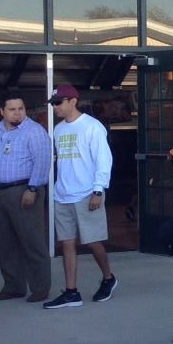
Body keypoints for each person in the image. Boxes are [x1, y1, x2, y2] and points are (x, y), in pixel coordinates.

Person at [46, 85, 116, 308]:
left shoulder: (92, 127)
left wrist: (98, 190)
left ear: (72, 101)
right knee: (67, 243)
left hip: (87, 193)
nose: (55, 107)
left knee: (93, 241)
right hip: (63, 194)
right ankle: (71, 291)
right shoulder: (58, 130)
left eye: (59, 102)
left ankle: (108, 277)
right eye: (54, 103)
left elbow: (103, 159)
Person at [0, 90, 52, 305]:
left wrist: (32, 189)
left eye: (20, 109)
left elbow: (42, 161)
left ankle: (40, 287)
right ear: (2, 111)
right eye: (12, 109)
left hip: (23, 190)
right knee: (5, 241)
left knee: (32, 240)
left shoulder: (34, 131)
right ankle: (13, 286)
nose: (17, 113)